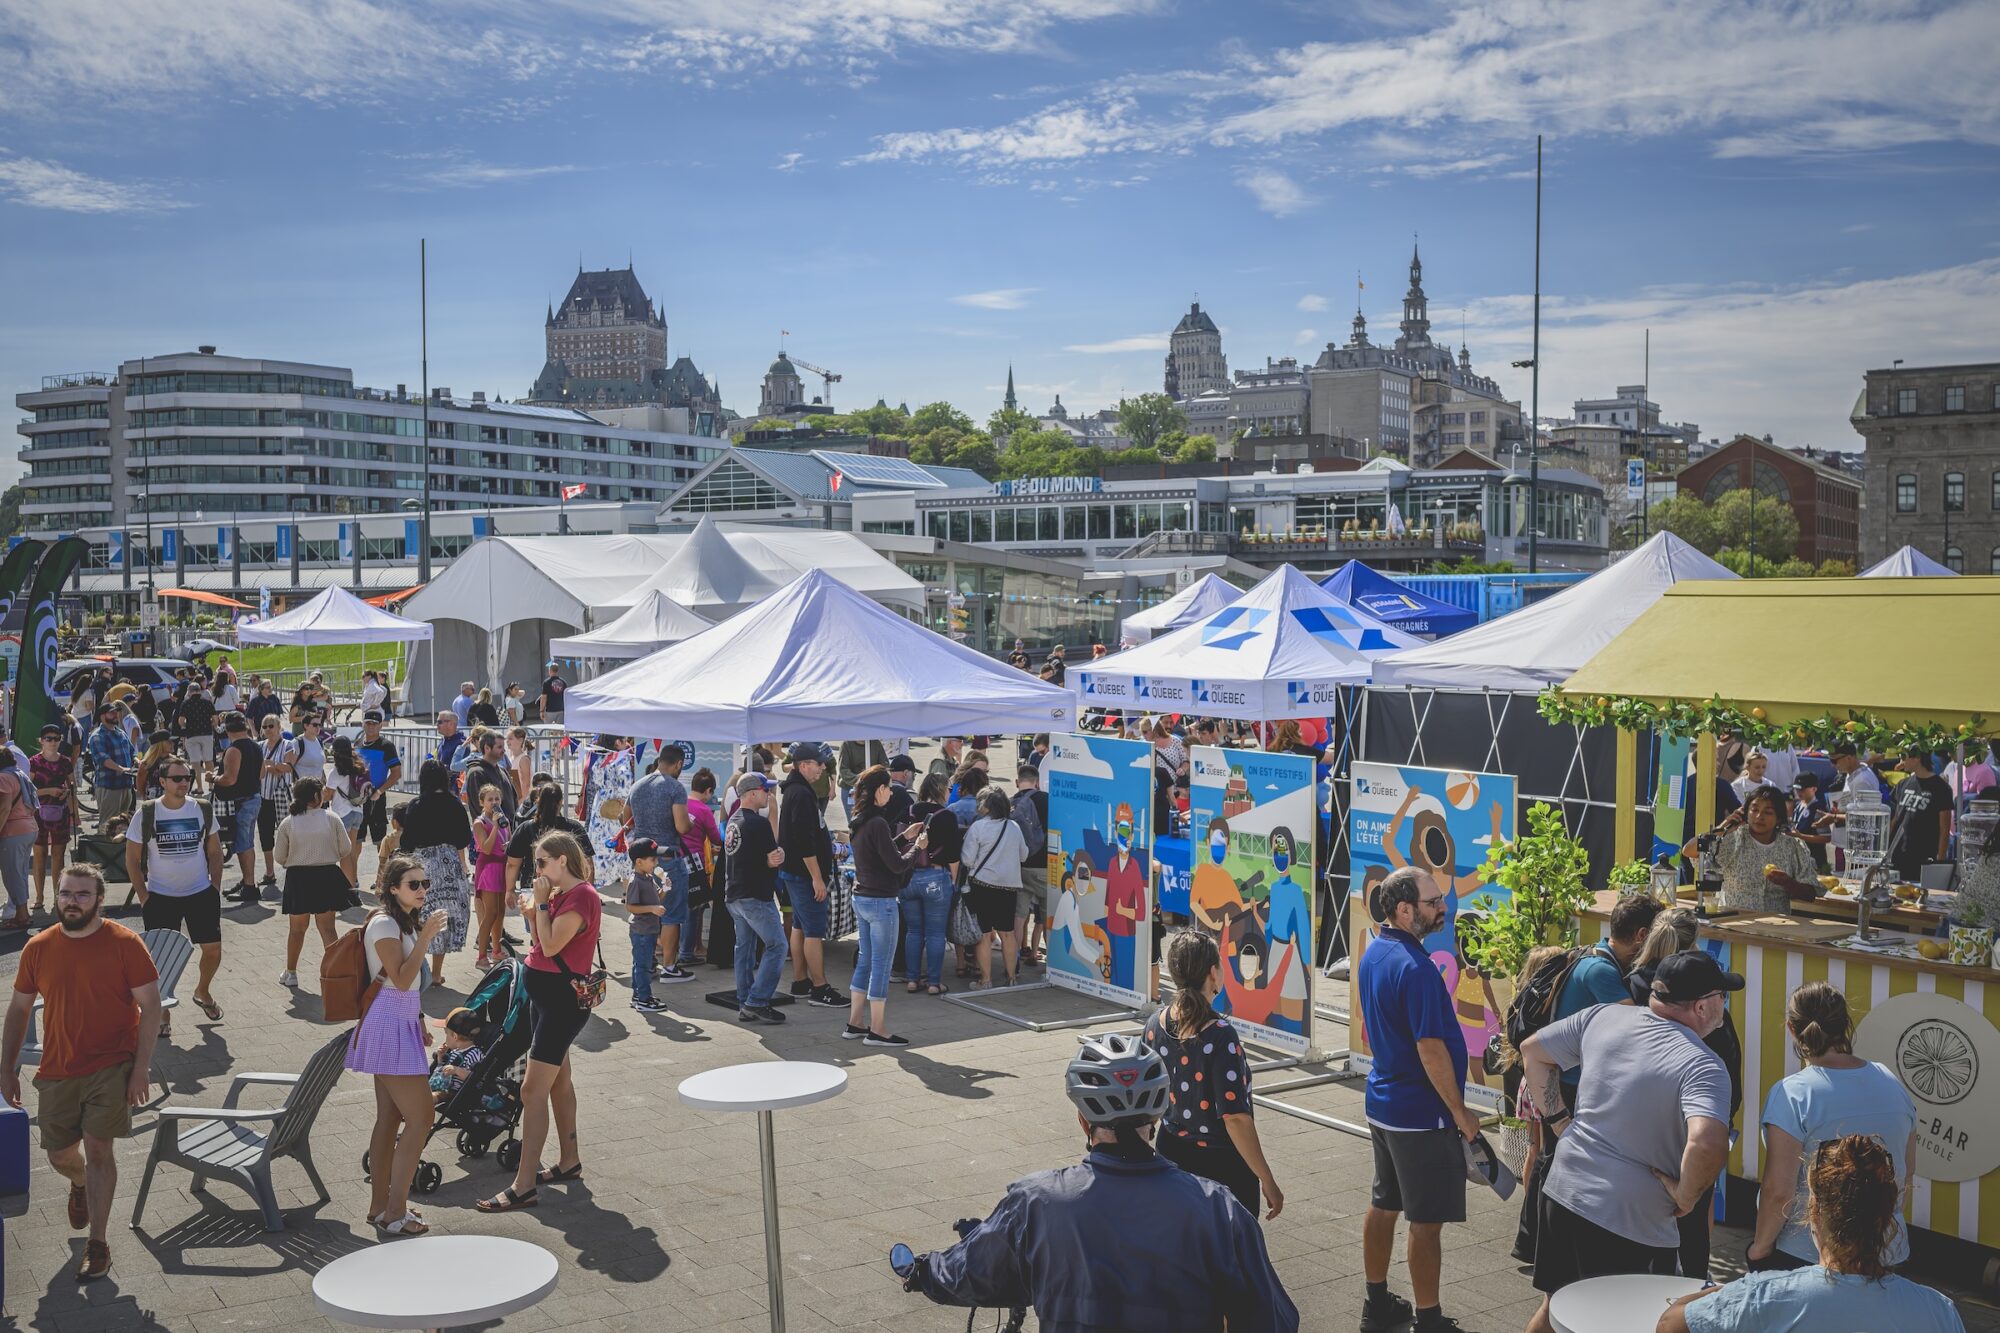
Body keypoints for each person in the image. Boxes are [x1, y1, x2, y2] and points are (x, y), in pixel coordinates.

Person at [900, 1032, 1298, 1332]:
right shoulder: (1217, 1208)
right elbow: (1273, 1319)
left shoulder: (1037, 1203)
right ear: (1158, 1117)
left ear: (1083, 1121)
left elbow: (970, 1272)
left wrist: (920, 1271)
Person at [1518, 951, 1735, 1333]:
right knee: (1624, 1324)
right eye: (1723, 996)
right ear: (1702, 1006)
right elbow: (1707, 1143)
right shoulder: (1703, 1064)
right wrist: (1686, 1195)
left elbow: (1533, 1051)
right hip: (1629, 1220)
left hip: (1563, 1193)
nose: (1725, 1005)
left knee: (1557, 1306)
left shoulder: (1603, 1016)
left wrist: (1559, 1123)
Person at [0, 864, 162, 1280]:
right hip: (59, 1065)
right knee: (59, 1154)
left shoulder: (125, 944)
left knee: (99, 1149)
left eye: (82, 894)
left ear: (99, 900)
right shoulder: (39, 946)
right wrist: (7, 1068)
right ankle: (78, 1184)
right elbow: (19, 1009)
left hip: (112, 1062)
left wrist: (141, 1068)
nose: (73, 901)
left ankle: (99, 1242)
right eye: (66, 894)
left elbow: (151, 1007)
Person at [1660, 1134, 1964, 1333]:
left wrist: (1721, 1293)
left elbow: (1670, 1324)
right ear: (1887, 1217)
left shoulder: (1762, 1296)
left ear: (1814, 1211)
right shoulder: (1937, 1311)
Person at [1357, 867, 1481, 1333]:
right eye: (1433, 903)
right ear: (1404, 909)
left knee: (1384, 1202)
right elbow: (1430, 1050)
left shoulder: (1376, 953)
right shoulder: (1419, 969)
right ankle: (1428, 1320)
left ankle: (1375, 1304)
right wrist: (1461, 1113)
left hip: (1384, 1104)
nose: (1443, 908)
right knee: (1426, 1222)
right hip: (1421, 1116)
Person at [1749, 981, 1916, 1273]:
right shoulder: (1891, 1081)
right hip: (1887, 1250)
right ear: (1846, 1025)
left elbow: (1779, 1191)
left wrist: (1759, 1249)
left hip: (1809, 1256)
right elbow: (1906, 1173)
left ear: (1791, 1029)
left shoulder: (1792, 1094)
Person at [478, 830, 601, 1213]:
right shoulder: (563, 895)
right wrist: (536, 913)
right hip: (544, 999)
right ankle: (569, 1160)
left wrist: (542, 906)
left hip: (562, 1004)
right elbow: (541, 943)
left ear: (563, 860)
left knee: (532, 1091)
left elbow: (549, 947)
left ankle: (524, 1184)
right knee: (559, 1083)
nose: (538, 871)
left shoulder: (580, 896)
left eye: (543, 862)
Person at [1622, 910, 1743, 1281]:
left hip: (1635, 1137)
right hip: (1686, 1133)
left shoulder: (1627, 990)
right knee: (1687, 1230)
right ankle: (1689, 1291)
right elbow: (1726, 1089)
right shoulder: (1700, 1005)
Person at [1144, 930, 1283, 1220]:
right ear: (1213, 973)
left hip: (1171, 1156)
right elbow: (1234, 1118)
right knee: (1229, 1256)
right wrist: (1267, 1179)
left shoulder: (1154, 1024)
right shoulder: (1220, 1037)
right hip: (1221, 1167)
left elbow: (1149, 1098)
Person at [347, 854, 446, 1236]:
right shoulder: (385, 924)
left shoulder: (400, 922)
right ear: (392, 889)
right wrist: (425, 938)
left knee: (390, 1119)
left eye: (425, 884)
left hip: (399, 1020)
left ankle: (381, 1208)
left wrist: (418, 1019)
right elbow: (401, 980)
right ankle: (394, 1212)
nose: (422, 891)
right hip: (387, 1023)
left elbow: (405, 987)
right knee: (422, 1118)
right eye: (413, 885)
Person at [125, 757, 226, 1022]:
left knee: (213, 949)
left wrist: (214, 886)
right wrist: (144, 897)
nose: (184, 783)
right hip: (160, 896)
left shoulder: (202, 809)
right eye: (177, 778)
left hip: (200, 892)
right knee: (160, 959)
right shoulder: (147, 813)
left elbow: (215, 852)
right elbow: (132, 860)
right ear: (162, 782)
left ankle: (203, 992)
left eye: (188, 777)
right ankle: (164, 1013)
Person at [845, 765, 925, 1047]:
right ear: (880, 790)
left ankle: (855, 1022)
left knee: (866, 959)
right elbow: (896, 864)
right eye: (889, 788)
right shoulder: (877, 822)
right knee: (881, 964)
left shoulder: (861, 819)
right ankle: (877, 1029)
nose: (891, 793)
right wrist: (918, 848)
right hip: (881, 901)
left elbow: (880, 850)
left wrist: (905, 838)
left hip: (863, 897)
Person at [389, 760, 474, 988]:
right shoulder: (455, 804)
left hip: (422, 868)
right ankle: (436, 974)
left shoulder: (417, 805)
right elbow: (464, 839)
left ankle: (416, 969)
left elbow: (407, 841)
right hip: (449, 866)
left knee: (418, 915)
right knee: (440, 919)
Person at [1683, 784, 1818, 914]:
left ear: (1779, 818)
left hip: (1777, 929)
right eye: (1754, 810)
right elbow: (1688, 850)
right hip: (1733, 925)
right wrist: (1721, 828)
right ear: (1745, 813)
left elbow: (1810, 894)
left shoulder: (1792, 846)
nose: (1759, 817)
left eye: (1768, 812)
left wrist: (1788, 883)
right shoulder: (1733, 839)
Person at [776, 743, 842, 1006]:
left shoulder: (797, 790)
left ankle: (801, 980)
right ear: (804, 765)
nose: (823, 768)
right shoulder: (801, 794)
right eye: (819, 763)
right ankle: (819, 987)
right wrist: (817, 877)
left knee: (801, 927)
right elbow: (804, 841)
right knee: (813, 930)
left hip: (796, 873)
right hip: (804, 875)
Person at [275, 778, 352, 989]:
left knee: (297, 929)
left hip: (298, 878)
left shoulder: (289, 822)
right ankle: (336, 973)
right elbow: (345, 848)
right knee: (327, 928)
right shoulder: (332, 818)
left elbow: (279, 856)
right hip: (326, 875)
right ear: (316, 796)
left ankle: (291, 972)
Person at [725, 772, 790, 1022]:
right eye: (765, 790)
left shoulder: (735, 819)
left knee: (745, 948)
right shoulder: (758, 823)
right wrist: (773, 858)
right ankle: (757, 1001)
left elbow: (752, 856)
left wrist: (768, 858)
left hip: (735, 895)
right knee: (777, 945)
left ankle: (746, 1001)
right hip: (754, 896)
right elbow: (773, 858)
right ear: (753, 793)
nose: (769, 794)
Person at [628, 745, 694, 985]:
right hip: (667, 857)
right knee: (670, 915)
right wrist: (691, 824)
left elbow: (625, 818)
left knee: (649, 913)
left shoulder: (638, 785)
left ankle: (649, 966)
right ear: (678, 764)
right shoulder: (675, 787)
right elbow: (682, 826)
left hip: (643, 860)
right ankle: (669, 967)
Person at [898, 773, 960, 997]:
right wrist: (954, 881)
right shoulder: (947, 816)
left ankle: (913, 979)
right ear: (942, 790)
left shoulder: (909, 810)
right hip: (935, 877)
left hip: (908, 876)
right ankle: (934, 983)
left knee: (913, 931)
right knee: (935, 933)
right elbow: (953, 855)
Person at [961, 788, 1027, 989]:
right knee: (1007, 934)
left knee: (983, 935)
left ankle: (986, 980)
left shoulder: (979, 827)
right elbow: (1023, 855)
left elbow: (967, 859)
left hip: (982, 885)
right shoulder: (1014, 827)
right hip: (1008, 887)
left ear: (986, 806)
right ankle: (1011, 978)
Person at [212, 713, 264, 904]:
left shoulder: (234, 749)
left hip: (241, 801)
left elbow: (229, 779)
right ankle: (247, 881)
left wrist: (212, 778)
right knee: (247, 841)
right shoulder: (255, 746)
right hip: (254, 797)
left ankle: (250, 887)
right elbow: (262, 773)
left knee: (244, 844)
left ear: (226, 729)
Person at [678, 768, 724, 966]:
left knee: (675, 908)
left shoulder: (680, 804)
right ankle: (686, 953)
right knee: (693, 909)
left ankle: (676, 950)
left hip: (675, 859)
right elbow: (716, 838)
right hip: (694, 862)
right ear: (708, 790)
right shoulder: (704, 810)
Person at [468, 779, 513, 969]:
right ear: (482, 802)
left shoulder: (505, 820)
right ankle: (481, 956)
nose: (494, 802)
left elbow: (509, 840)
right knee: (490, 912)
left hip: (502, 866)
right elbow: (485, 848)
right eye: (490, 799)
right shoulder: (480, 822)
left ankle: (496, 950)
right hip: (488, 868)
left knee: (500, 912)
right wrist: (495, 826)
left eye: (497, 799)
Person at [29, 724, 74, 917]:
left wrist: (71, 806)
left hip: (61, 814)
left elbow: (72, 787)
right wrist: (49, 791)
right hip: (39, 815)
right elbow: (29, 792)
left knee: (58, 856)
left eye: (56, 738)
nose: (53, 742)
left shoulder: (65, 762)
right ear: (41, 740)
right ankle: (39, 897)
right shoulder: (33, 762)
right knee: (39, 856)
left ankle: (57, 896)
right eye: (49, 738)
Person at [1890, 749, 1953, 882]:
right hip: (1898, 855)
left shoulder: (1941, 788)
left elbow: (1944, 829)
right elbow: (1895, 819)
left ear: (1916, 758)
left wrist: (1939, 862)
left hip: (1924, 858)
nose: (1901, 762)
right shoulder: (1903, 783)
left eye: (1903, 757)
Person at [623, 838, 669, 1012]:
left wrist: (664, 890)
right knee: (644, 966)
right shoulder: (636, 881)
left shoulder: (648, 877)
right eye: (652, 860)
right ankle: (644, 999)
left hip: (648, 929)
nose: (656, 863)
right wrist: (652, 908)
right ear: (639, 862)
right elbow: (630, 906)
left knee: (640, 964)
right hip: (642, 930)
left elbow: (655, 899)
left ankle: (638, 995)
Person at [254, 714, 297, 895]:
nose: (268, 730)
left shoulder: (289, 744)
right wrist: (273, 767)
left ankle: (293, 870)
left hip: (282, 796)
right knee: (265, 835)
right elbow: (257, 769)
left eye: (271, 726)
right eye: (265, 727)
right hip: (264, 796)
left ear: (279, 727)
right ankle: (269, 872)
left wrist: (269, 765)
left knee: (288, 833)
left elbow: (288, 767)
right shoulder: (258, 747)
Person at [326, 734, 370, 888]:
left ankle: (348, 886)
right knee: (351, 852)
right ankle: (354, 881)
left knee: (344, 853)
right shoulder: (359, 766)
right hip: (358, 812)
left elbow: (328, 795)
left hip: (343, 814)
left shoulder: (336, 772)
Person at [0, 752, 37, 930]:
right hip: (29, 827)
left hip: (13, 831)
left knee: (12, 875)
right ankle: (23, 914)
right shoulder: (19, 773)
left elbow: (5, 808)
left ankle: (21, 915)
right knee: (20, 873)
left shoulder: (3, 778)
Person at [355, 711, 402, 851]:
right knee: (356, 840)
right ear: (363, 724)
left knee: (380, 842)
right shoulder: (358, 743)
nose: (371, 726)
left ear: (381, 725)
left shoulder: (386, 746)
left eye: (374, 724)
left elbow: (396, 773)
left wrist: (380, 791)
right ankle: (353, 873)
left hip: (376, 798)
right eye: (368, 723)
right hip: (357, 798)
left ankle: (383, 873)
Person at [86, 705, 136, 834]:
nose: (115, 715)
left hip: (126, 784)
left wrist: (137, 761)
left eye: (116, 712)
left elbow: (132, 752)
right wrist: (121, 769)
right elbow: (103, 759)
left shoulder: (121, 732)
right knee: (107, 824)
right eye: (111, 713)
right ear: (102, 716)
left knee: (124, 823)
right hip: (109, 786)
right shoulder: (97, 736)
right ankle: (103, 850)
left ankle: (120, 852)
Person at [429, 1006, 488, 1107]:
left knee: (431, 1096)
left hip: (454, 1092)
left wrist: (457, 1070)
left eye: (446, 1034)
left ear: (455, 1036)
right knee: (417, 1088)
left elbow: (477, 1079)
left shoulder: (474, 1053)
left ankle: (415, 1113)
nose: (445, 1038)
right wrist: (440, 1057)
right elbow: (442, 1071)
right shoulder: (454, 1051)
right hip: (441, 1085)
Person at [1789, 771, 1833, 873]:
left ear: (1814, 789)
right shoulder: (1798, 805)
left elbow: (1826, 838)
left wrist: (1801, 836)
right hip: (1799, 860)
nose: (1799, 792)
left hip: (1815, 862)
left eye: (1803, 789)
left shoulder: (1818, 809)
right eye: (1797, 789)